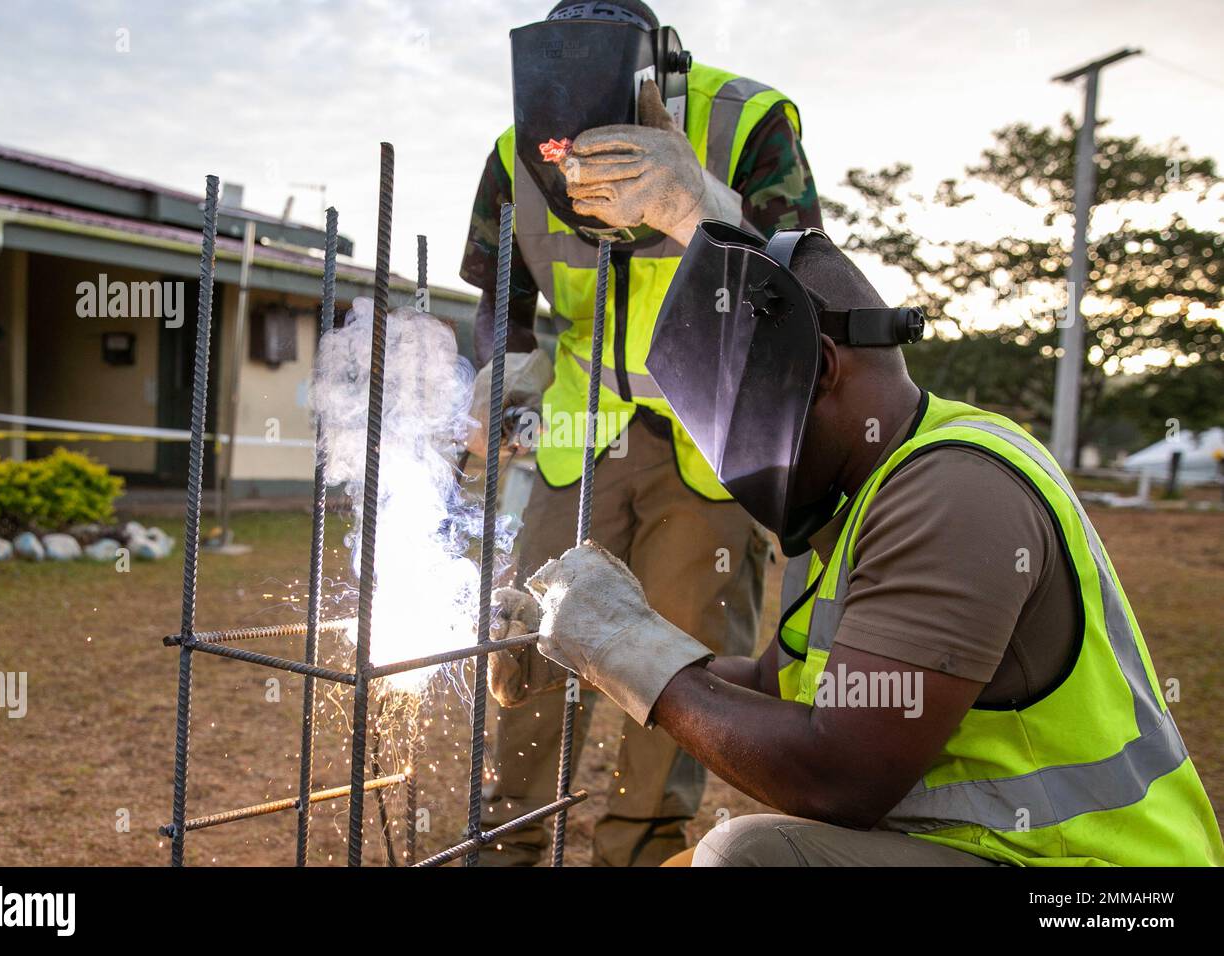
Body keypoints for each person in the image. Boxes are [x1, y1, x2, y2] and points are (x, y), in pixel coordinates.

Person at [493, 222, 1224, 866]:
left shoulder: (952, 494)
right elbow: (776, 686)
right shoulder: (868, 492)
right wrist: (584, 652)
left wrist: (626, 648)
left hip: (1087, 879)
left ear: (824, 368)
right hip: (983, 848)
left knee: (745, 858)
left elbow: (837, 778)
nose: (729, 460)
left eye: (736, 424)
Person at [462, 0, 822, 866]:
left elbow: (806, 272)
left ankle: (640, 850)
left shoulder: (746, 118)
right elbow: (501, 302)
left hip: (713, 435)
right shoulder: (520, 147)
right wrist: (496, 392)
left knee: (677, 665)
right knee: (533, 642)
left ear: (659, 65)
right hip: (581, 431)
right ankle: (509, 839)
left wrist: (700, 195)